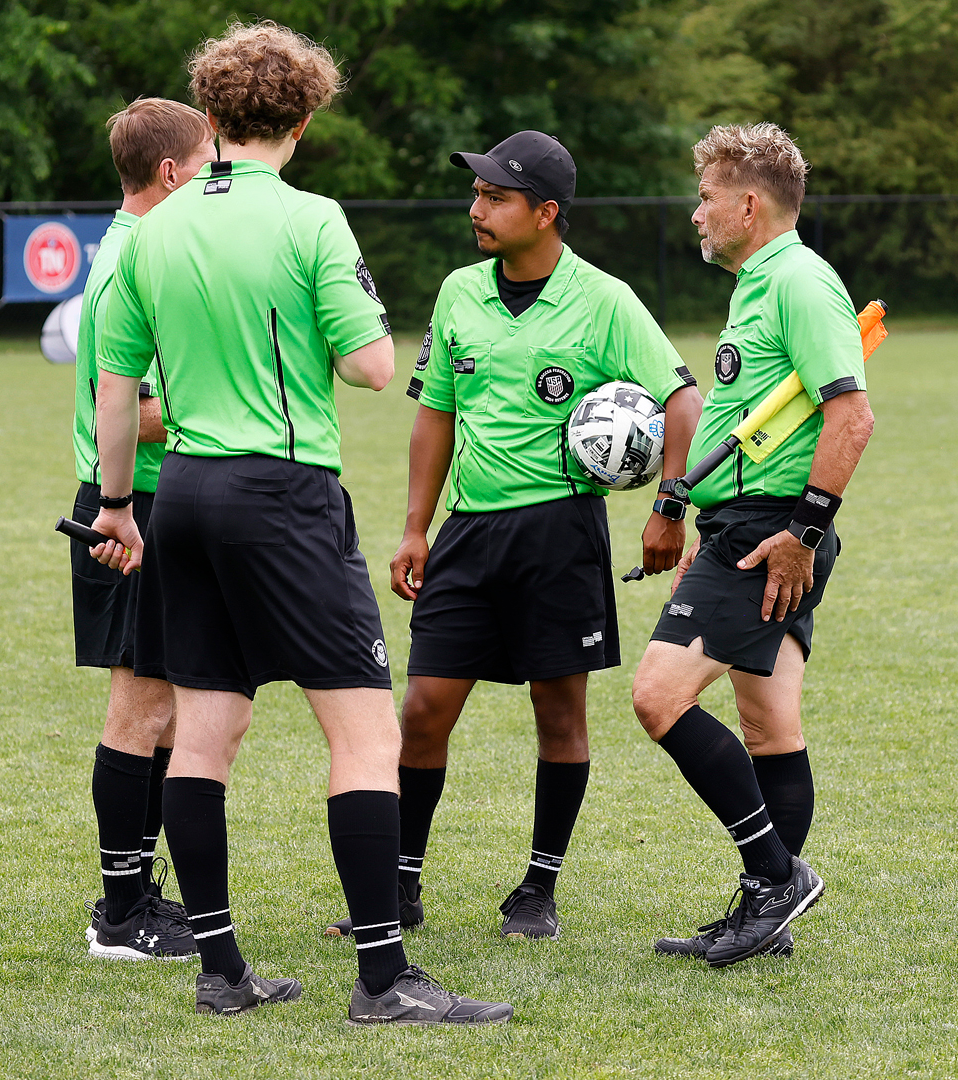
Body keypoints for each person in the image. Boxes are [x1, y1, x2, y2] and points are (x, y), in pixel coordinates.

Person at [89, 21, 512, 1025]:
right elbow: (372, 366)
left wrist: (115, 507)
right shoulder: (313, 220)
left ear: (215, 112)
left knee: (204, 733)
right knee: (364, 734)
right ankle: (381, 981)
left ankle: (222, 970)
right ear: (307, 115)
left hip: (180, 492)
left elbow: (115, 393)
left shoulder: (153, 230)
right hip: (283, 494)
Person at [328, 130, 702, 942]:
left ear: (546, 212)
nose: (478, 209)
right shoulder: (460, 291)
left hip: (559, 534)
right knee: (423, 710)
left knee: (559, 713)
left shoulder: (603, 298)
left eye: (496, 197)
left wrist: (669, 507)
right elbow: (435, 413)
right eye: (478, 194)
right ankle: (400, 887)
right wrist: (415, 527)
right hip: (466, 535)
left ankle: (538, 889)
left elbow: (682, 399)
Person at [632, 123, 874, 967]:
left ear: (746, 202)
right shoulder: (759, 284)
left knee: (659, 698)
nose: (696, 215)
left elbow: (852, 416)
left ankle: (776, 876)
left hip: (772, 528)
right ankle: (764, 914)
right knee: (770, 725)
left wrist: (800, 534)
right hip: (740, 523)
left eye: (705, 198)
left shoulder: (801, 282)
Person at [70, 97, 217, 960]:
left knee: (159, 703)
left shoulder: (130, 248)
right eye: (206, 161)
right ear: (170, 173)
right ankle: (120, 915)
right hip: (133, 501)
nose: (215, 177)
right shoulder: (138, 262)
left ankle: (135, 898)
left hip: (148, 498)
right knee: (140, 704)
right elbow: (136, 408)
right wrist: (243, 405)